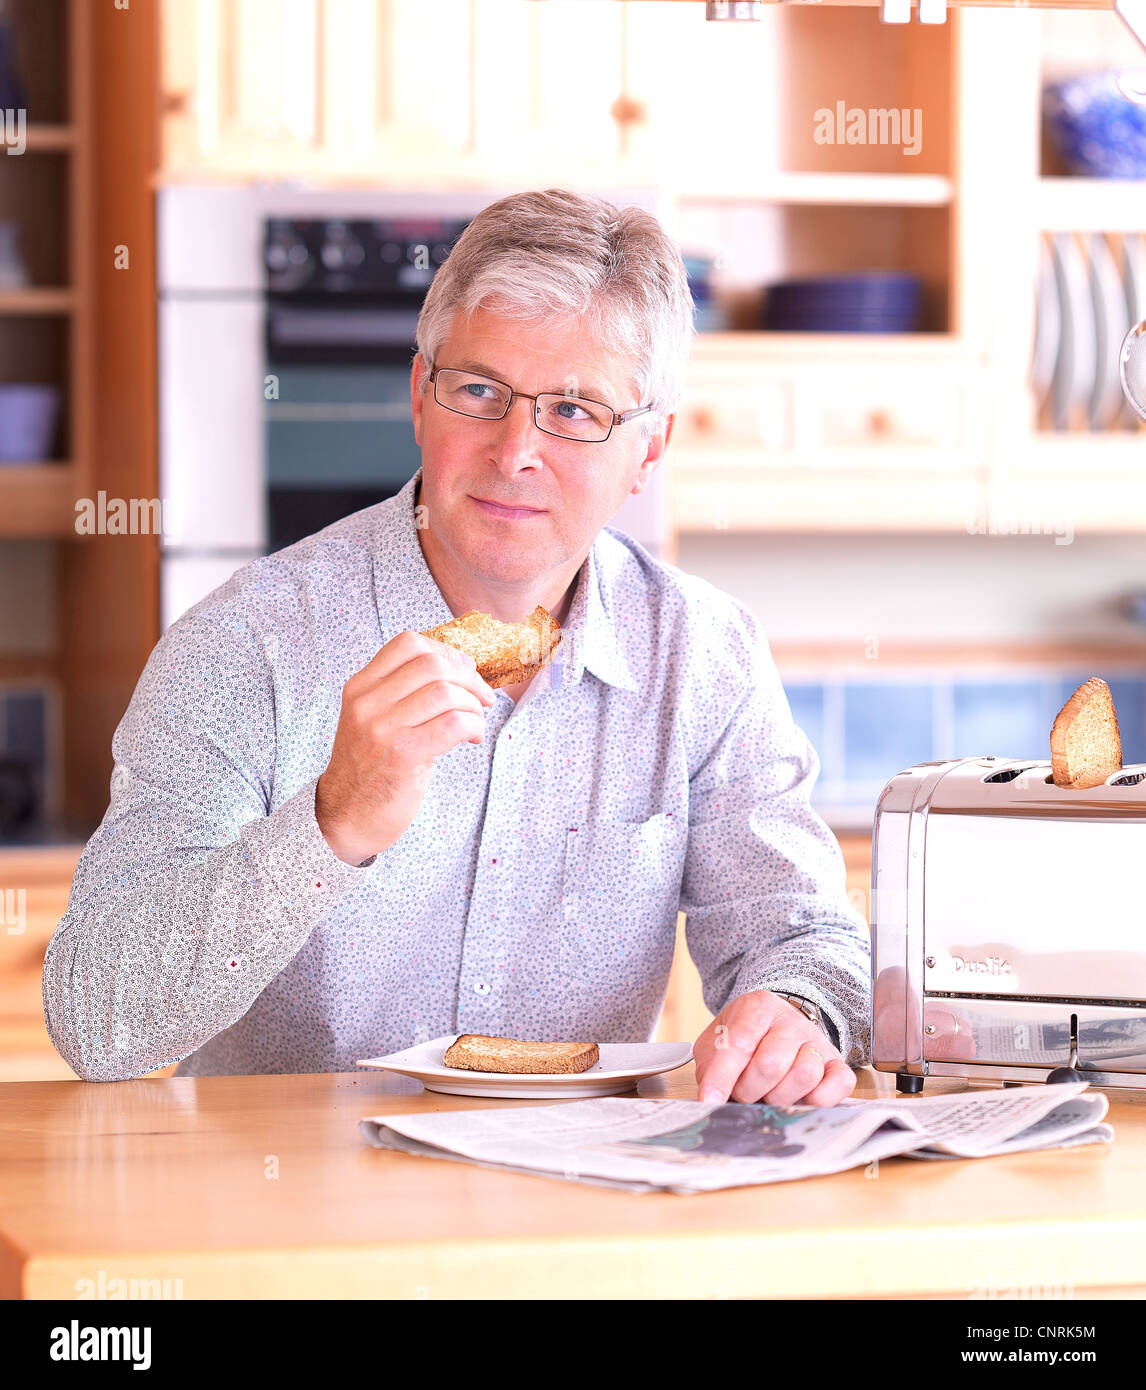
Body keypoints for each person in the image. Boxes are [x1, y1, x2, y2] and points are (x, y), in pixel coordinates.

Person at [43, 188, 870, 1105]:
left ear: (649, 450)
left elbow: (805, 941)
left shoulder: (703, 657)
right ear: (419, 398)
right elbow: (96, 1021)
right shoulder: (248, 645)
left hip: (573, 1205)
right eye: (480, 391)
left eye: (576, 409)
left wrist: (795, 1012)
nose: (516, 450)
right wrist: (331, 825)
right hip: (289, 1221)